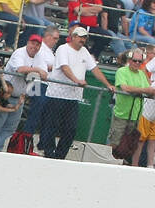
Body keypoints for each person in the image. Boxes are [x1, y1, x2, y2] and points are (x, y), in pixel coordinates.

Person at [41, 25, 111, 160]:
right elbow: (64, 67)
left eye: (85, 37)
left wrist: (108, 84)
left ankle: (60, 155)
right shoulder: (63, 49)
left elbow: (94, 69)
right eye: (80, 37)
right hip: (57, 94)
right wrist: (77, 80)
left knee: (71, 129)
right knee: (51, 126)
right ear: (73, 37)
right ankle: (49, 153)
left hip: (73, 97)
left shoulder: (84, 52)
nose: (83, 40)